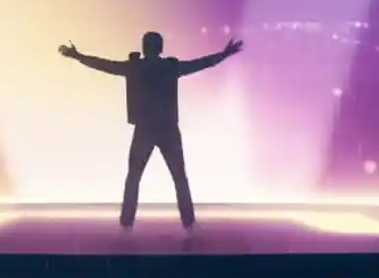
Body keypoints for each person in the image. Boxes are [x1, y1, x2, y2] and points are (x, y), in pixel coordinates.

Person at [59, 32, 244, 231]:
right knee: (178, 176)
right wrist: (225, 54)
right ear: (160, 48)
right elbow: (201, 63)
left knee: (135, 177)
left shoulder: (135, 67)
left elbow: (105, 65)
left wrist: (77, 56)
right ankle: (188, 221)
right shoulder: (169, 67)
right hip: (167, 128)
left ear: (144, 47)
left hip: (145, 128)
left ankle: (127, 220)